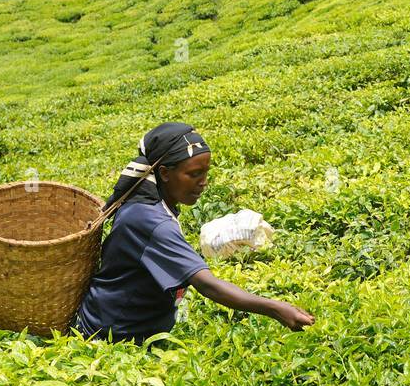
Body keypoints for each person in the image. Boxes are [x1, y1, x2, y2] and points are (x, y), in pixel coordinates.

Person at [73, 122, 314, 343]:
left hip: (123, 324)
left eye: (205, 173)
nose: (203, 182)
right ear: (165, 173)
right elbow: (207, 286)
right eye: (194, 174)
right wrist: (276, 308)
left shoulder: (146, 202)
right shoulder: (150, 221)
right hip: (111, 337)